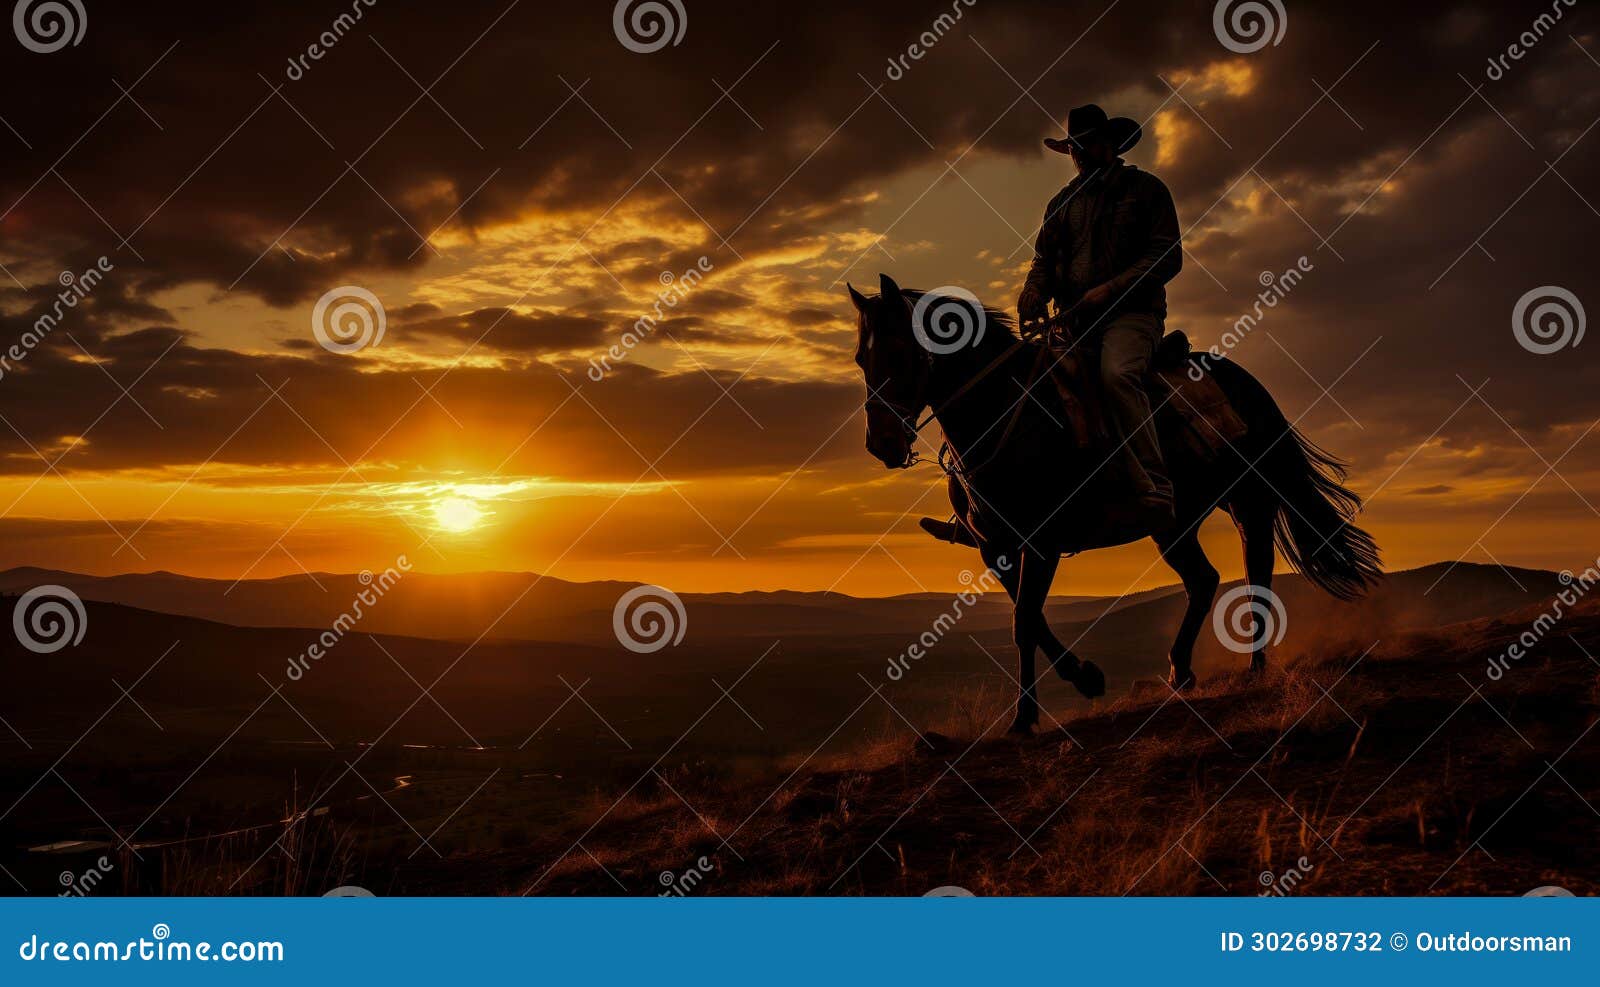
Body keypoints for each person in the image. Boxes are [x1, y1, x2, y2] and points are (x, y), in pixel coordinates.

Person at [1019, 103, 1182, 531]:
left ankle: (1155, 484)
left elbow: (1167, 255)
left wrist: (1108, 290)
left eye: (1090, 144)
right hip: (1071, 323)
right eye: (1075, 146)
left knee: (1116, 375)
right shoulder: (1060, 204)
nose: (1082, 153)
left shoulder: (1146, 191)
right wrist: (1033, 291)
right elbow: (1043, 259)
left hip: (1131, 315)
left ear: (1110, 144)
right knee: (1025, 384)